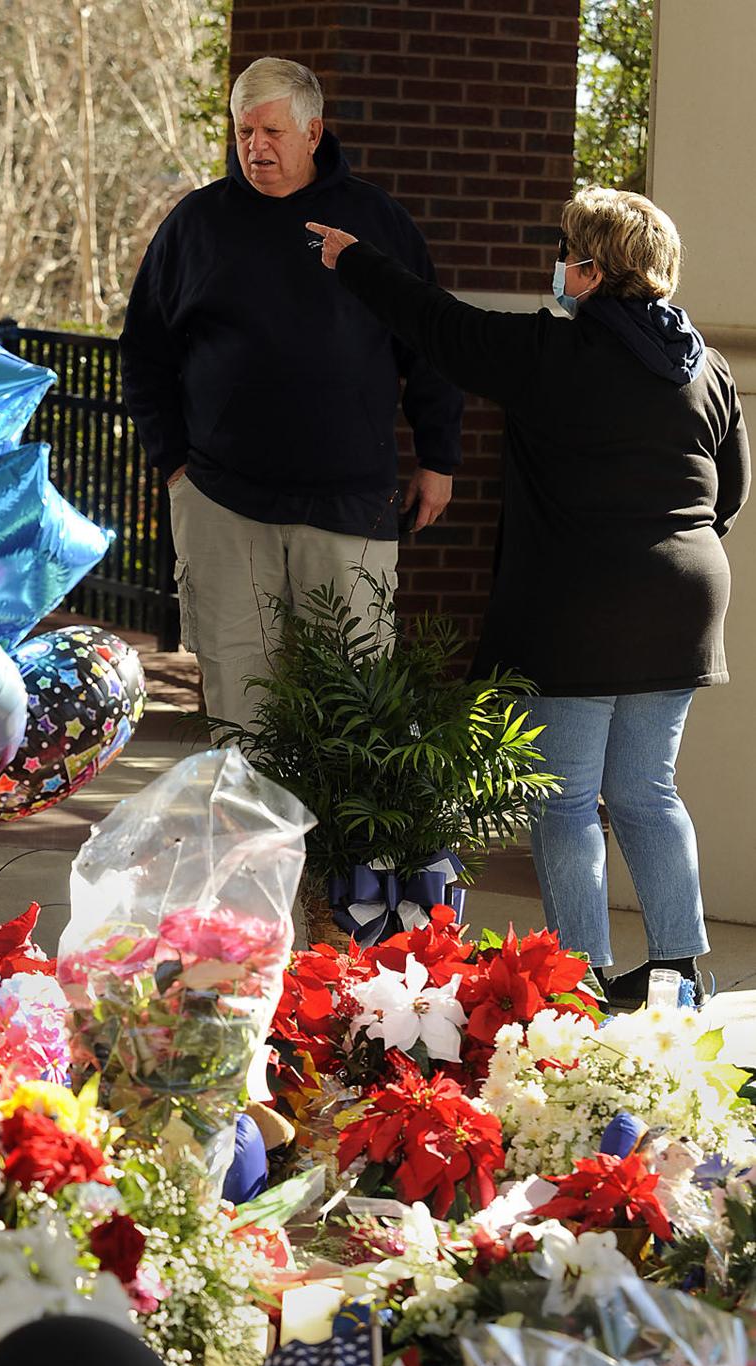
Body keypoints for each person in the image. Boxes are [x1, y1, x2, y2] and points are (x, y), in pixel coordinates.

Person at [306, 187, 750, 1005]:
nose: (558, 267)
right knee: (648, 789)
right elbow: (729, 494)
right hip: (684, 597)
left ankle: (575, 978)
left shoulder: (548, 354)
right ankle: (678, 974)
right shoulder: (706, 365)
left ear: (589, 270)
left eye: (565, 252)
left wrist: (352, 257)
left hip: (578, 601)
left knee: (566, 799)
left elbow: (436, 321)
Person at [120, 57, 463, 730]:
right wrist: (175, 467)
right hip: (221, 497)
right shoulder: (195, 224)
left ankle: (338, 842)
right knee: (241, 700)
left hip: (347, 497)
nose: (255, 147)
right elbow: (145, 351)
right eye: (243, 131)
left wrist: (438, 458)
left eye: (270, 130)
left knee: (354, 703)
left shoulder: (375, 222)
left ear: (313, 132)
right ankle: (248, 838)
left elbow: (428, 342)